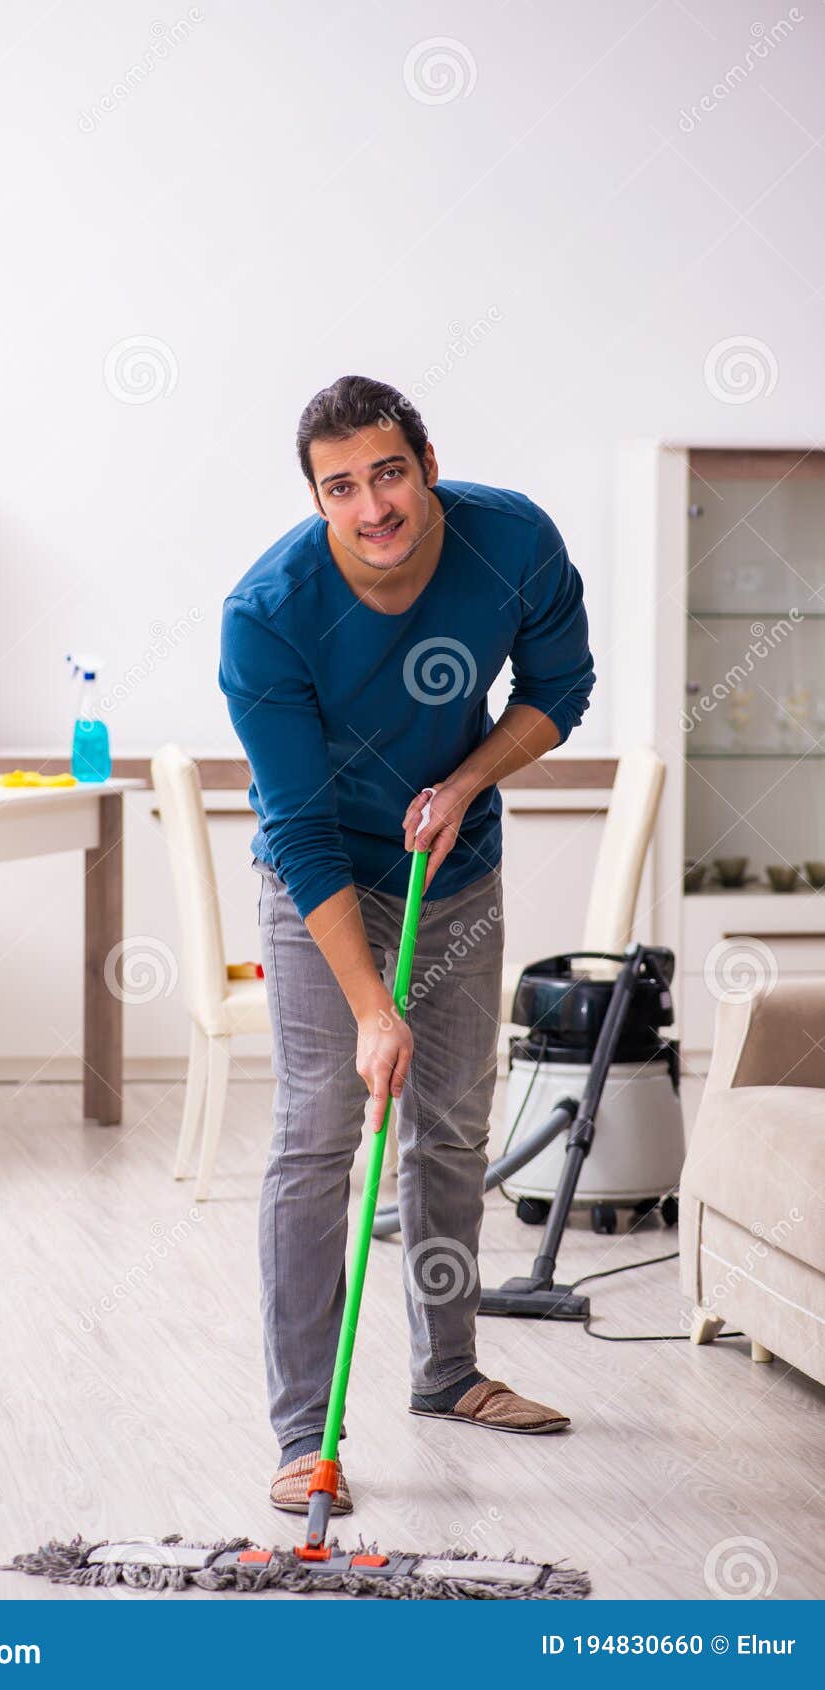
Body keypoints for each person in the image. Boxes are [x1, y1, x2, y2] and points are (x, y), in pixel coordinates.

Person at [218, 374, 596, 1514]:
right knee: (319, 1131)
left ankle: (448, 1372)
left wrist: (468, 778)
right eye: (342, 487)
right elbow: (296, 828)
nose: (373, 505)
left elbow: (561, 688)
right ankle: (303, 1432)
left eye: (389, 472)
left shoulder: (512, 538)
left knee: (452, 1126)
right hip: (321, 875)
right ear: (318, 499)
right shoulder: (269, 614)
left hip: (453, 863)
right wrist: (373, 1008)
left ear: (426, 460)